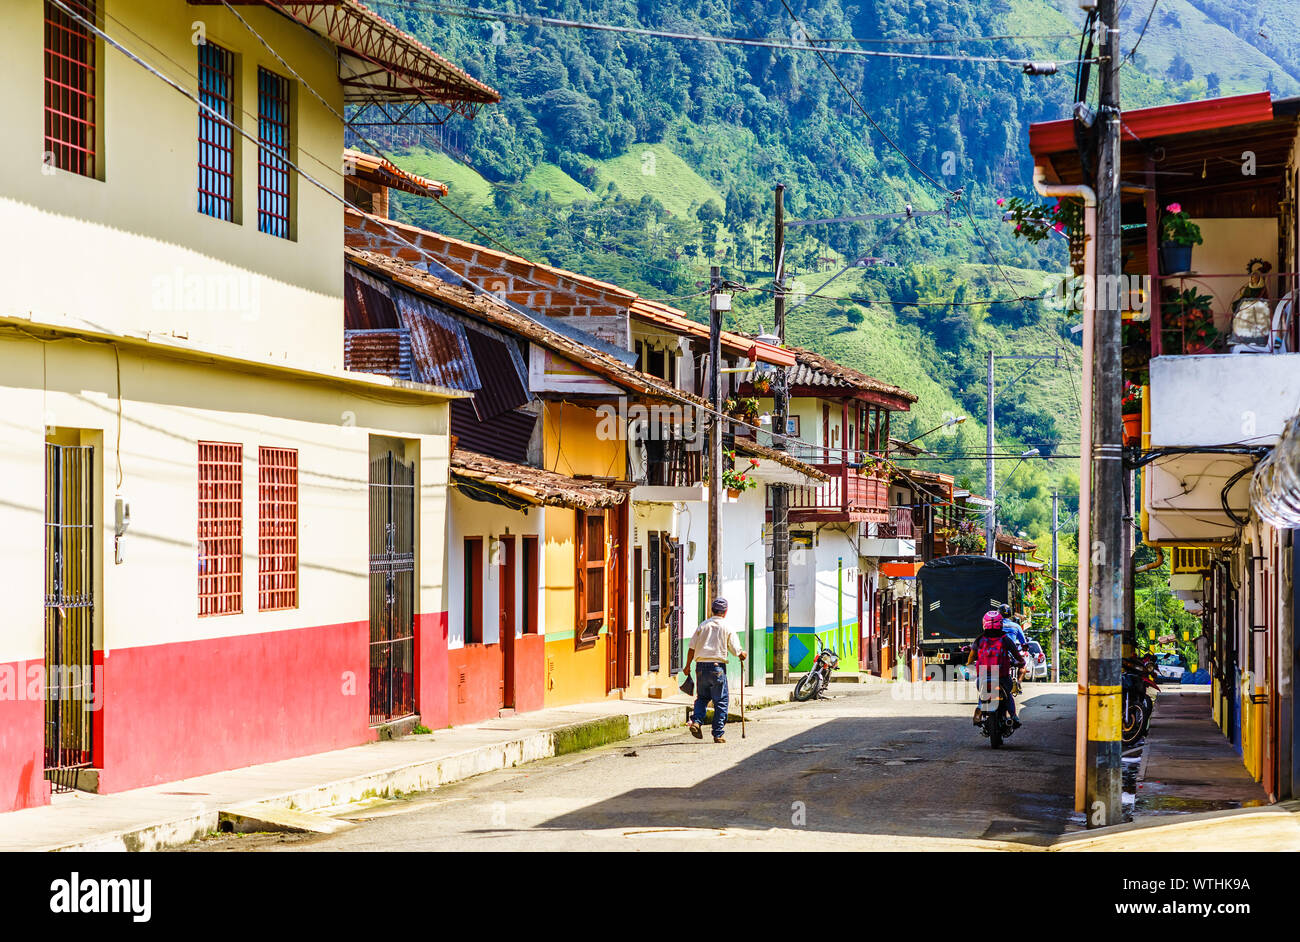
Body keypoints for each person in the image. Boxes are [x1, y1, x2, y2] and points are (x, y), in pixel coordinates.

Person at [682, 598, 747, 743]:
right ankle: (718, 734)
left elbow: (691, 648)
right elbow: (736, 650)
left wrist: (687, 666)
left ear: (712, 610)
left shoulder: (703, 625)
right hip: (717, 668)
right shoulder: (727, 627)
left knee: (702, 698)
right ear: (725, 612)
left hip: (700, 667)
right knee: (721, 701)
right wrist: (742, 654)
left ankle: (697, 721)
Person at [967, 612, 1026, 728]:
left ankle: (979, 710)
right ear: (1000, 624)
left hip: (983, 676)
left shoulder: (979, 640)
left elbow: (971, 657)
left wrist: (969, 664)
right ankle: (1014, 716)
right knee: (1008, 694)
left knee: (983, 693)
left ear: (984, 624)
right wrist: (1021, 662)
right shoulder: (1006, 640)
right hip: (1002, 676)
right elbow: (1017, 656)